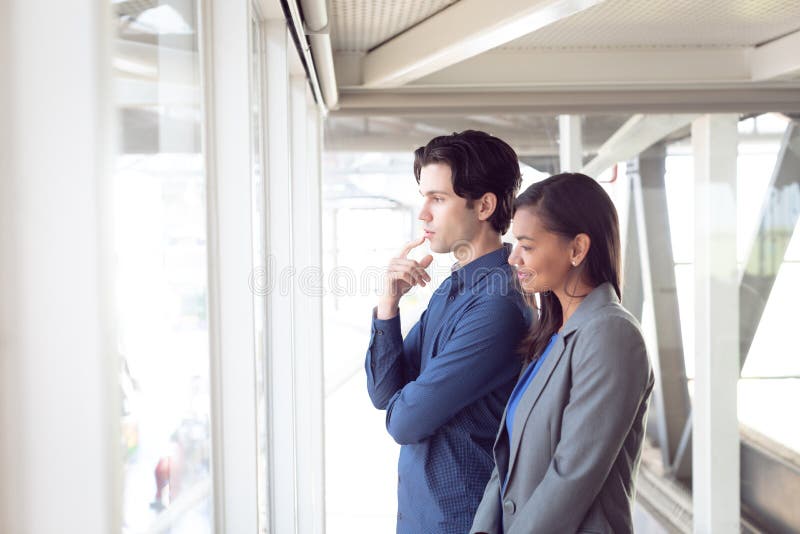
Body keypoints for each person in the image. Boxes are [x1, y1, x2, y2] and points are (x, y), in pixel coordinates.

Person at [365, 130, 531, 533]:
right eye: (424, 197)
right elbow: (384, 394)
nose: (423, 214)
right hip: (424, 516)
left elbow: (403, 423)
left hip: (460, 519)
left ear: (484, 206)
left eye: (438, 199)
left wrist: (409, 398)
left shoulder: (497, 306)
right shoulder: (454, 287)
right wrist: (388, 305)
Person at [471, 173, 655, 534]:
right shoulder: (551, 333)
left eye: (527, 245)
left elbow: (571, 477)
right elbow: (507, 462)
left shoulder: (611, 334)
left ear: (577, 249)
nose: (513, 259)